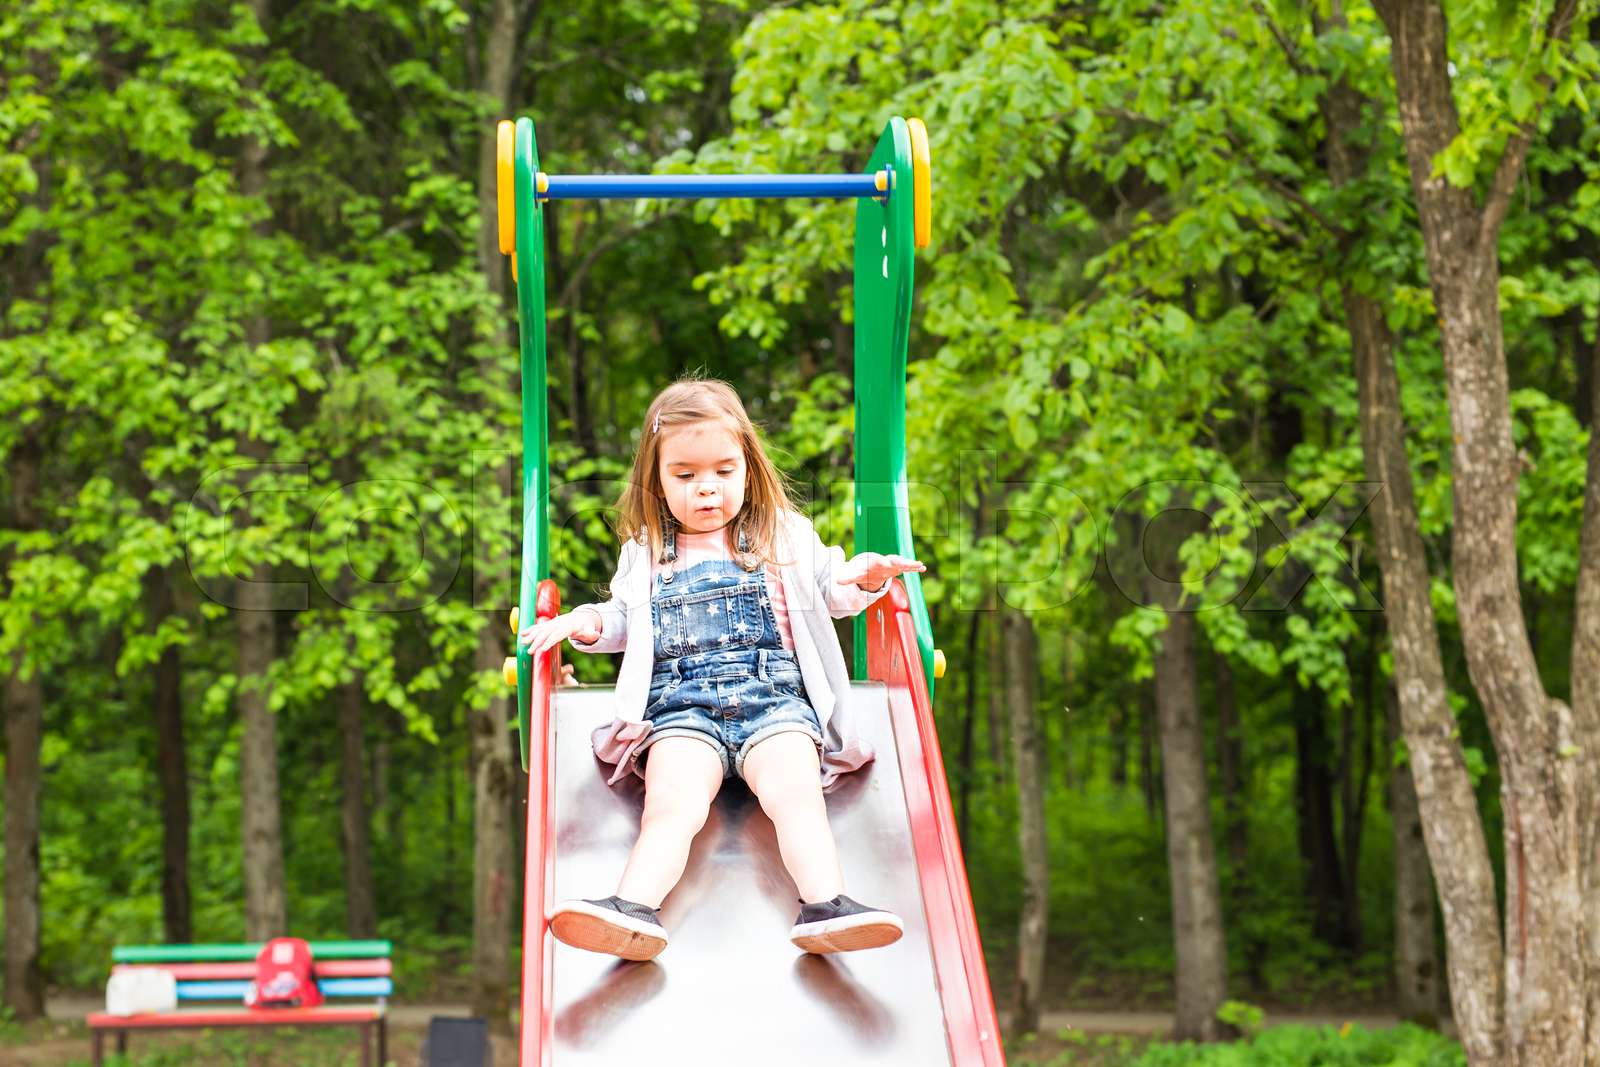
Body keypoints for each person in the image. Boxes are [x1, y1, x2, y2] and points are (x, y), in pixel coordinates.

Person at [519, 377, 926, 962]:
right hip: (681, 710)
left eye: (722, 471)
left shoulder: (782, 534)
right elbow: (623, 619)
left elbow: (826, 585)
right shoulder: (645, 550)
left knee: (795, 792)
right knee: (672, 802)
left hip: (775, 703)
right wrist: (582, 623)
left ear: (748, 469)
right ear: (657, 482)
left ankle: (826, 906)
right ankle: (631, 911)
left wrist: (863, 575)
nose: (705, 489)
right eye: (684, 476)